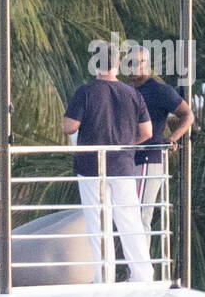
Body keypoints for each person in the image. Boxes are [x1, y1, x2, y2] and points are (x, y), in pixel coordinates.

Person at [62, 60, 154, 283]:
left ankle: (105, 278)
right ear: (118, 64)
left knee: (98, 224)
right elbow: (147, 132)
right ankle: (143, 275)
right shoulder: (132, 94)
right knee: (130, 221)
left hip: (91, 168)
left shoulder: (85, 92)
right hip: (123, 165)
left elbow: (69, 126)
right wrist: (126, 144)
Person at [123, 46, 193, 232]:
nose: (132, 67)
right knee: (126, 215)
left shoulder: (160, 90)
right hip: (128, 160)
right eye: (129, 63)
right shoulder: (127, 91)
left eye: (137, 63)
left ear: (147, 64)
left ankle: (140, 261)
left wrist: (173, 138)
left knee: (139, 216)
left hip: (149, 158)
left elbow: (187, 115)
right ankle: (130, 259)